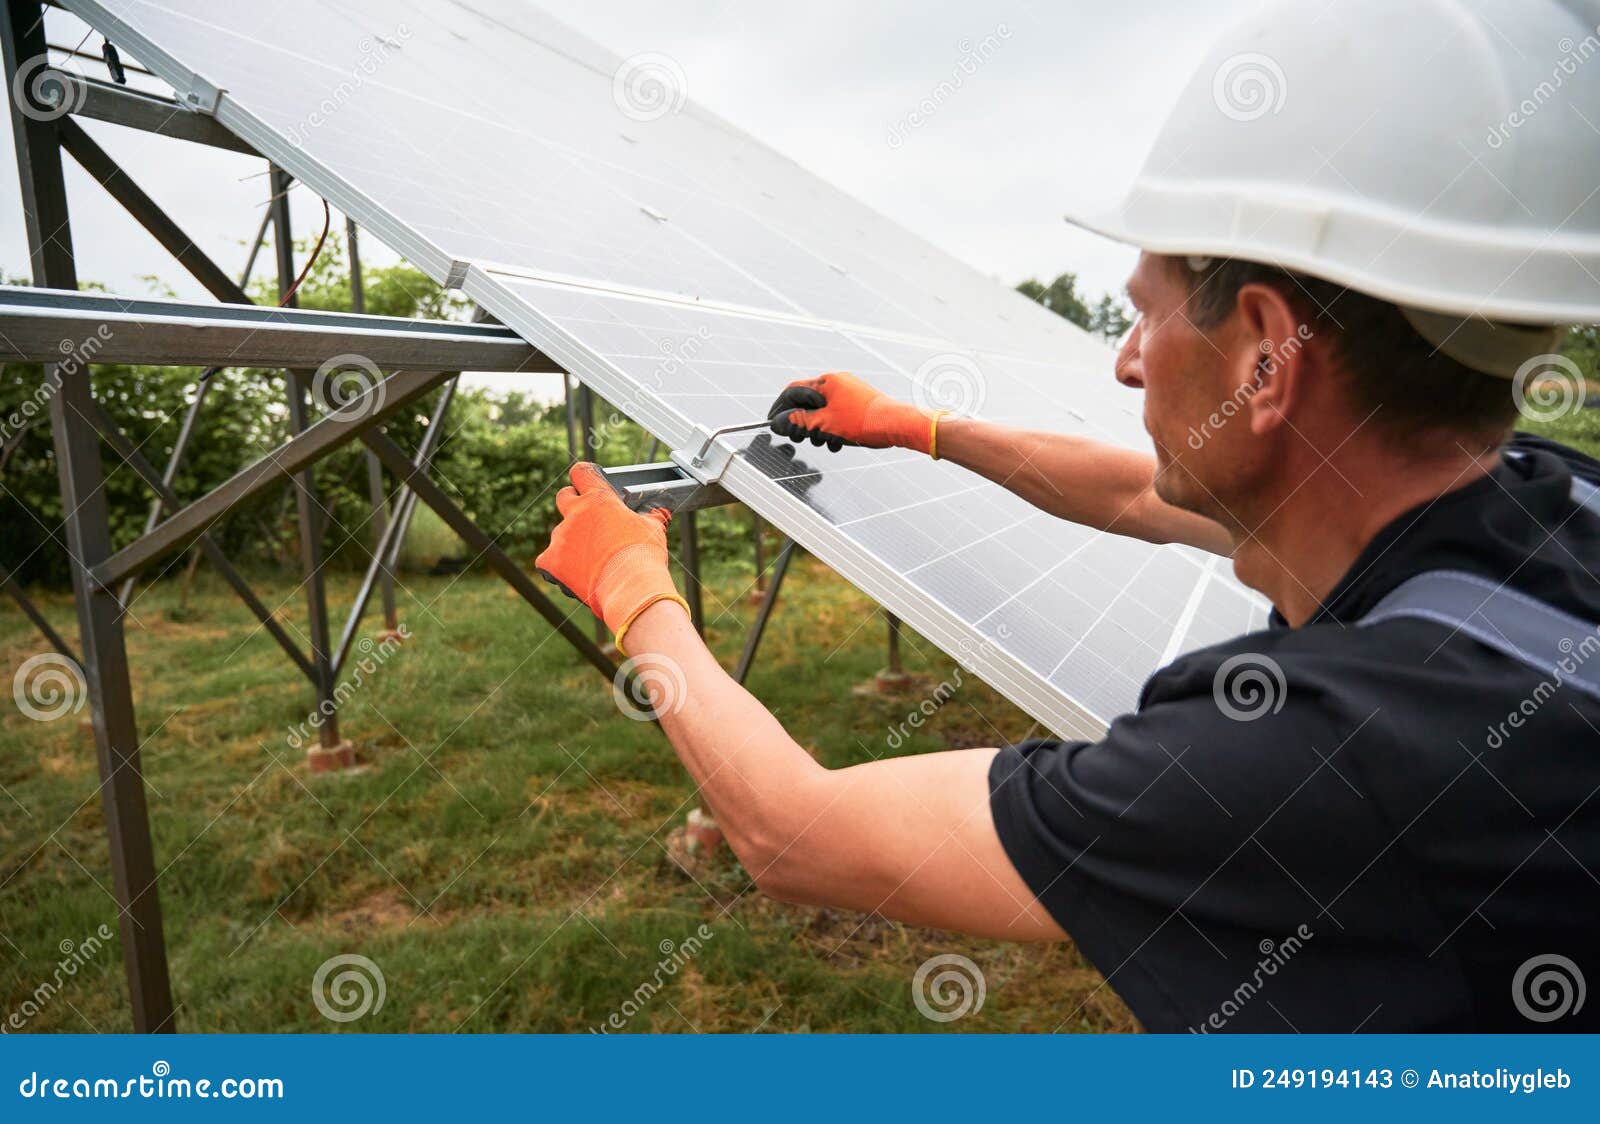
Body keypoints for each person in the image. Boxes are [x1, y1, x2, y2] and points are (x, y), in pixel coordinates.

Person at [535, 0, 1600, 1031]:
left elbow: (794, 830)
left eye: (1143, 311)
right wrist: (920, 428)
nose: (1126, 357)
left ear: (1267, 356)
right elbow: (1138, 492)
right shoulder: (1544, 500)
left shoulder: (1309, 757)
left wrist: (635, 588)